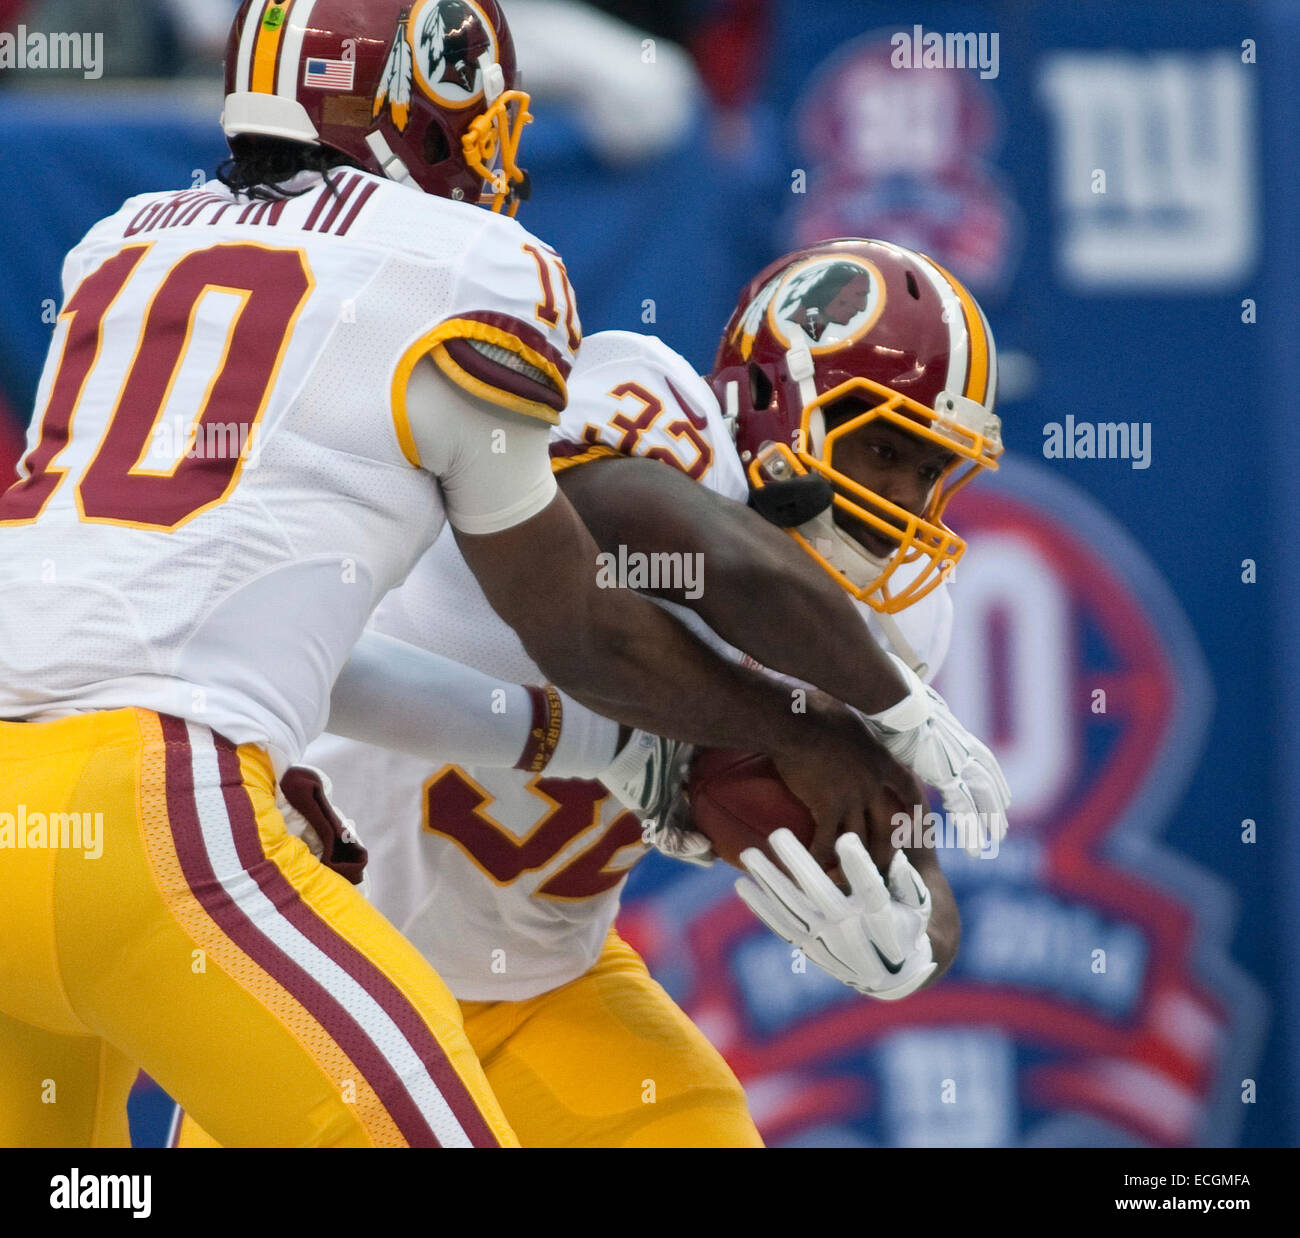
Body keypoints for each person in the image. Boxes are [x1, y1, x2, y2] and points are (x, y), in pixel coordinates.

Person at [0, 2, 917, 1149]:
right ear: (417, 106)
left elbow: (132, 591)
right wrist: (790, 725)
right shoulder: (471, 266)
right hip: (158, 823)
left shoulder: (119, 244)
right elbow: (581, 624)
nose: (490, 152)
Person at [177, 237, 1011, 1148]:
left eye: (930, 470)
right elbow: (689, 559)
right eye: (882, 446)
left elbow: (908, 845)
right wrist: (841, 712)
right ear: (774, 400)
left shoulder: (893, 624)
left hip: (538, 985)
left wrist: (909, 944)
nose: (904, 497)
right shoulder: (657, 422)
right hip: (325, 955)